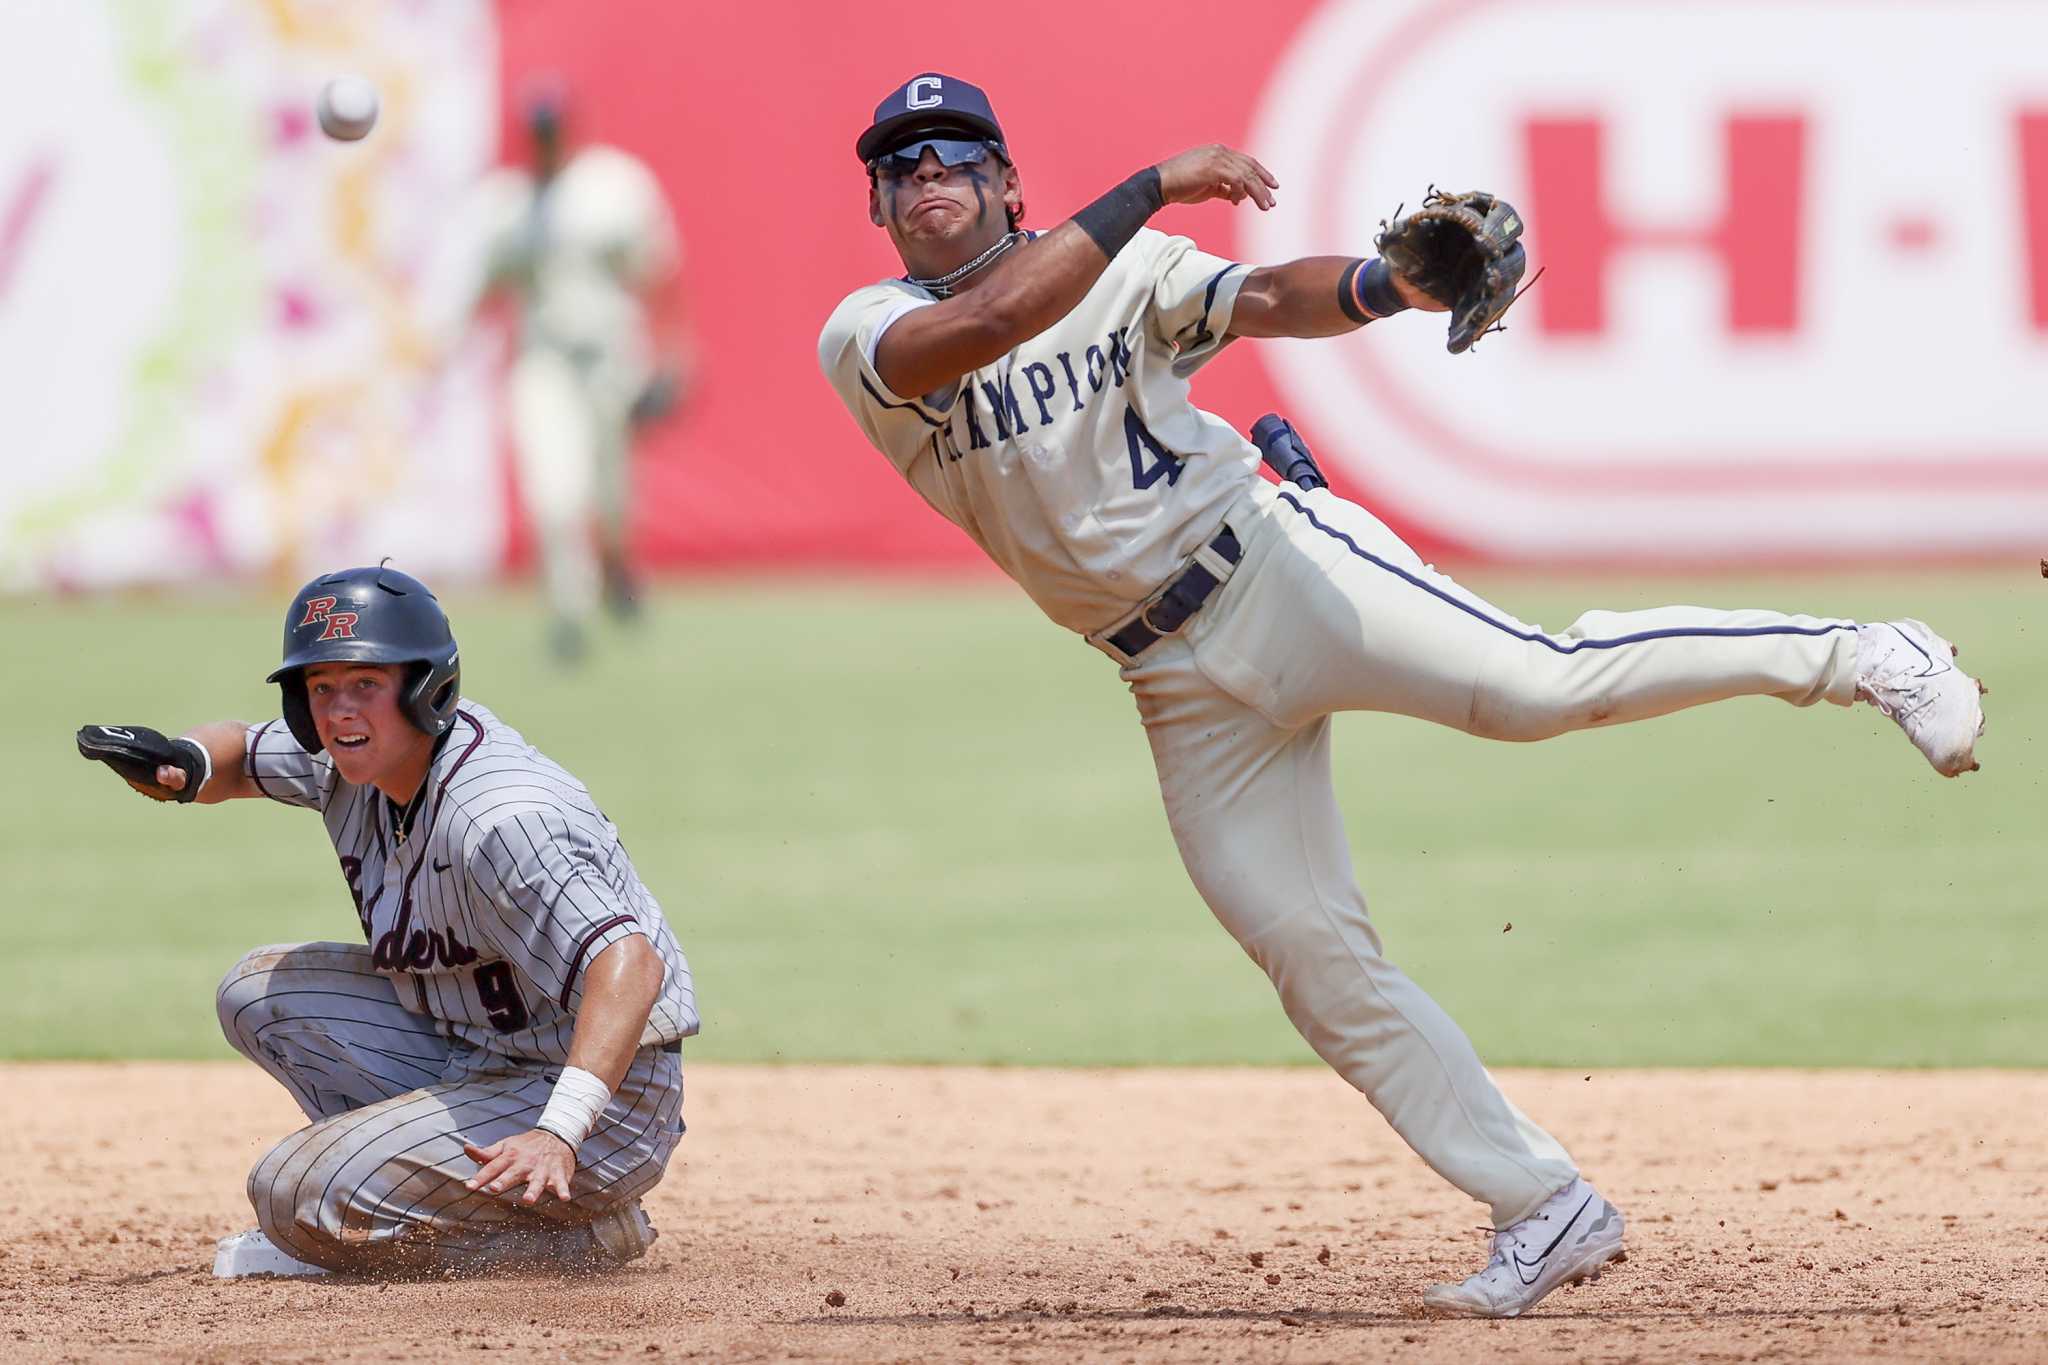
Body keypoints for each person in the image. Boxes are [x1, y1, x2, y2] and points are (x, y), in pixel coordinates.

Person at [816, 73, 1986, 1318]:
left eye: (955, 151)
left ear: (1006, 180)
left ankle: (1865, 653)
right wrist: (1152, 179)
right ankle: (1542, 1202)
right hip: (1163, 676)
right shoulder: (865, 331)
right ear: (879, 203)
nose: (928, 170)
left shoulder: (1122, 268)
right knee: (1312, 959)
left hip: (1271, 563)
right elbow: (984, 326)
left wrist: (1385, 289)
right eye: (902, 162)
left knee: (1538, 686)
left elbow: (1262, 297)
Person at [76, 565, 697, 1276]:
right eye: (321, 688)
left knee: (293, 1190)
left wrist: (559, 1130)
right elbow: (241, 755)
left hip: (603, 1106)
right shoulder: (354, 758)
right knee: (258, 991)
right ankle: (390, 1182)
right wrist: (183, 761)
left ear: (425, 689)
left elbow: (630, 963)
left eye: (365, 684)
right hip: (480, 1052)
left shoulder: (500, 815)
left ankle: (569, 1237)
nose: (340, 710)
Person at [466, 85, 694, 661]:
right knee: (554, 491)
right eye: (537, 128)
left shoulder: (613, 186)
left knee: (612, 491)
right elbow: (484, 289)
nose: (545, 137)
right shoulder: (506, 204)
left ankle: (617, 564)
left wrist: (674, 352)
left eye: (552, 126)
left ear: (569, 126)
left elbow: (659, 270)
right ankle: (570, 611)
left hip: (612, 354)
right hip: (543, 360)